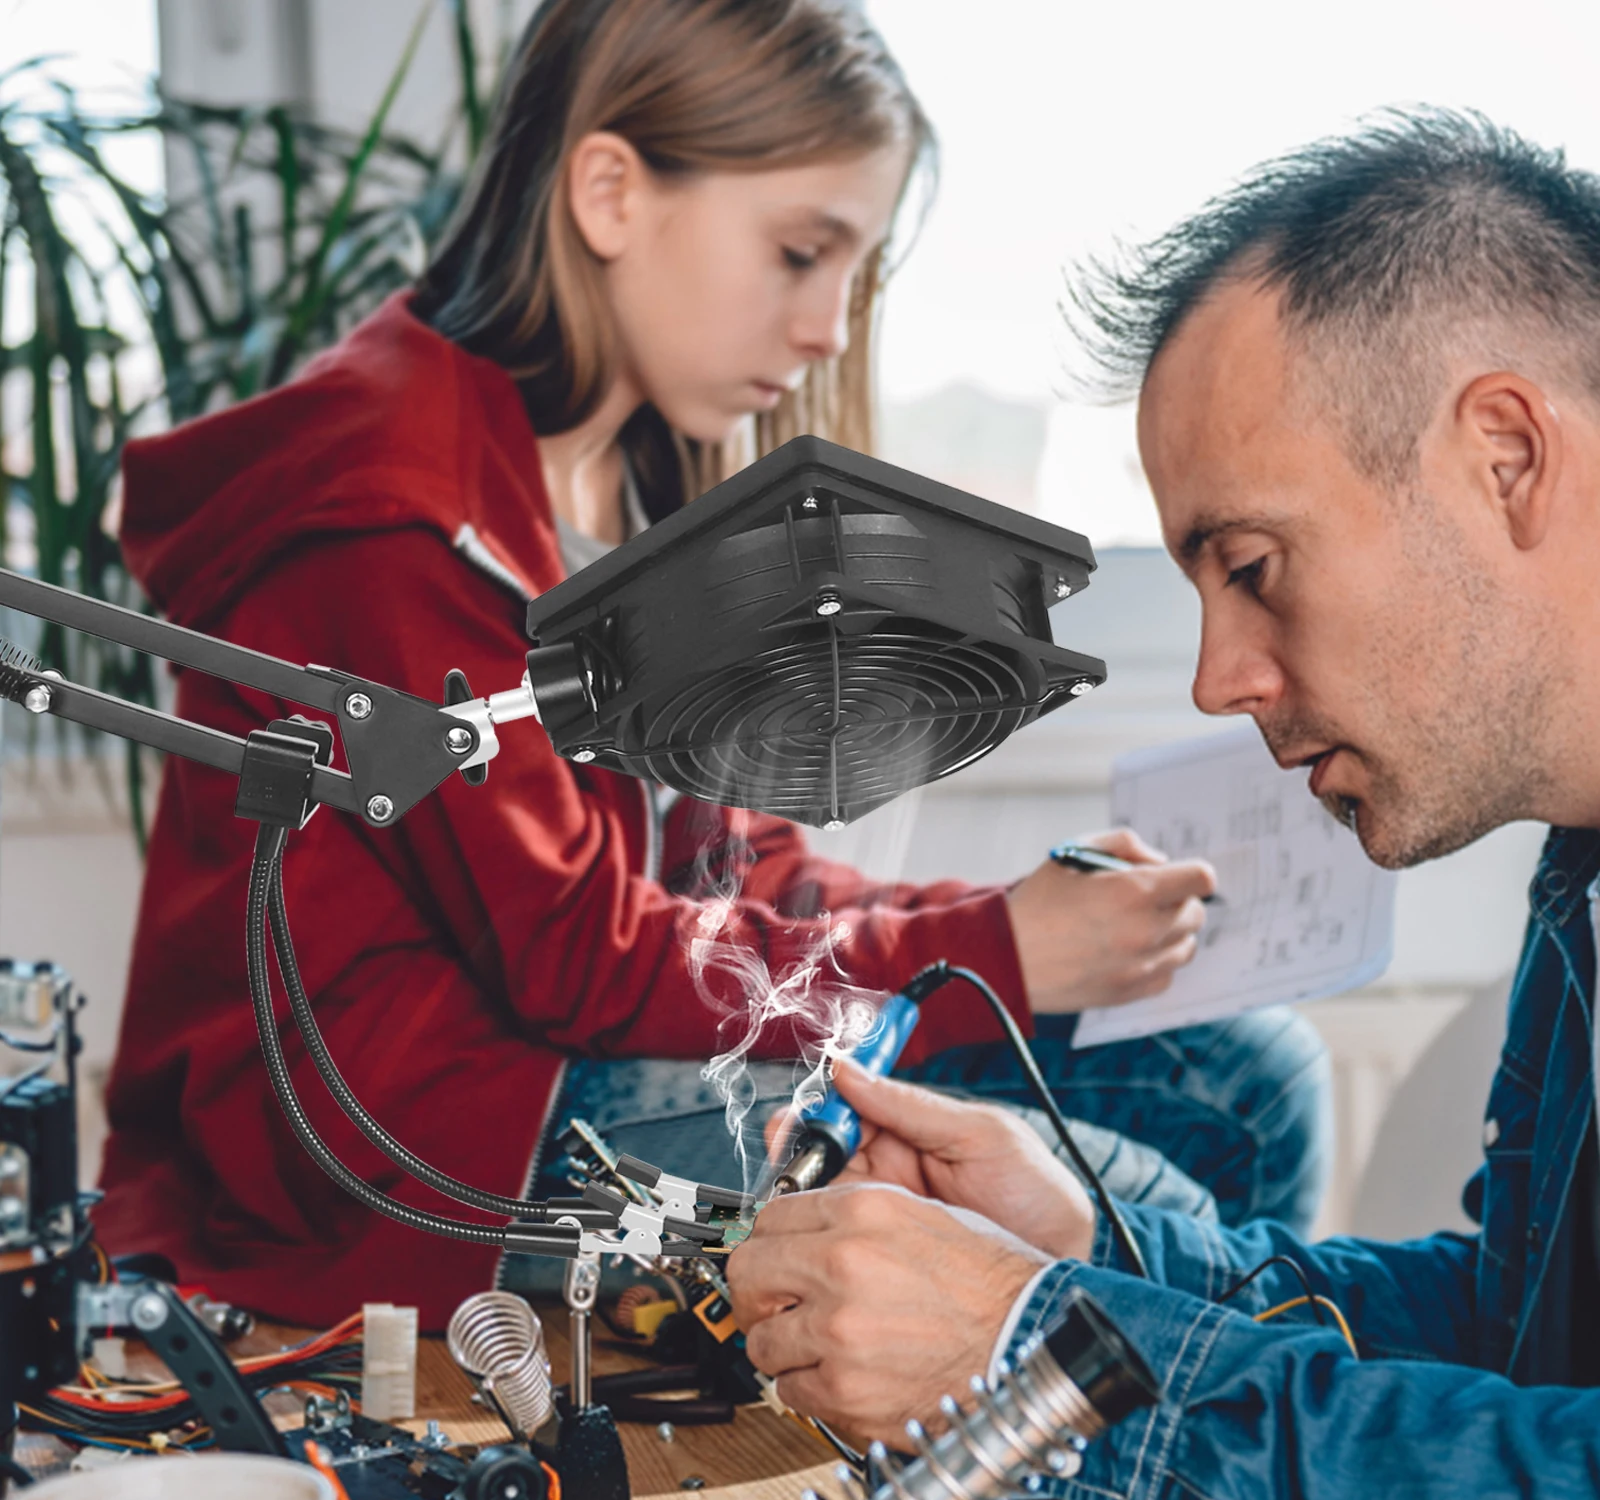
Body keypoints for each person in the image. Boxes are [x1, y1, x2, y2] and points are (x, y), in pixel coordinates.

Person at [97, 0, 1325, 1331]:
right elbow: (579, 957)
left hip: (580, 1053)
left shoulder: (637, 483)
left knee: (1253, 1076)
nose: (828, 329)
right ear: (612, 193)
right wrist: (997, 953)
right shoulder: (393, 512)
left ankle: (1172, 1485)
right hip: (424, 1146)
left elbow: (735, 874)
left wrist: (1016, 925)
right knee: (1143, 1210)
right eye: (803, 253)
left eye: (853, 273)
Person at [728, 110, 1600, 1500]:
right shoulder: (1577, 873)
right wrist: (1095, 1250)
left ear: (1506, 456)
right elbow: (1513, 1333)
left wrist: (1040, 1351)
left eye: (1253, 568)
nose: (1218, 676)